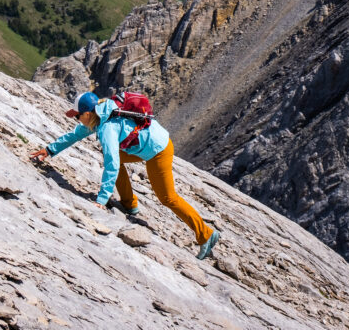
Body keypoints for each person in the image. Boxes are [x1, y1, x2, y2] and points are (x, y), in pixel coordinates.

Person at [30, 91, 220, 260]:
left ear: (87, 114)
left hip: (158, 150)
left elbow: (112, 164)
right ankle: (129, 204)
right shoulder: (101, 113)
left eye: (77, 116)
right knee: (115, 157)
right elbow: (74, 135)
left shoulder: (107, 128)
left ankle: (206, 234)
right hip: (147, 143)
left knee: (167, 197)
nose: (77, 119)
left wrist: (101, 199)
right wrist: (49, 150)